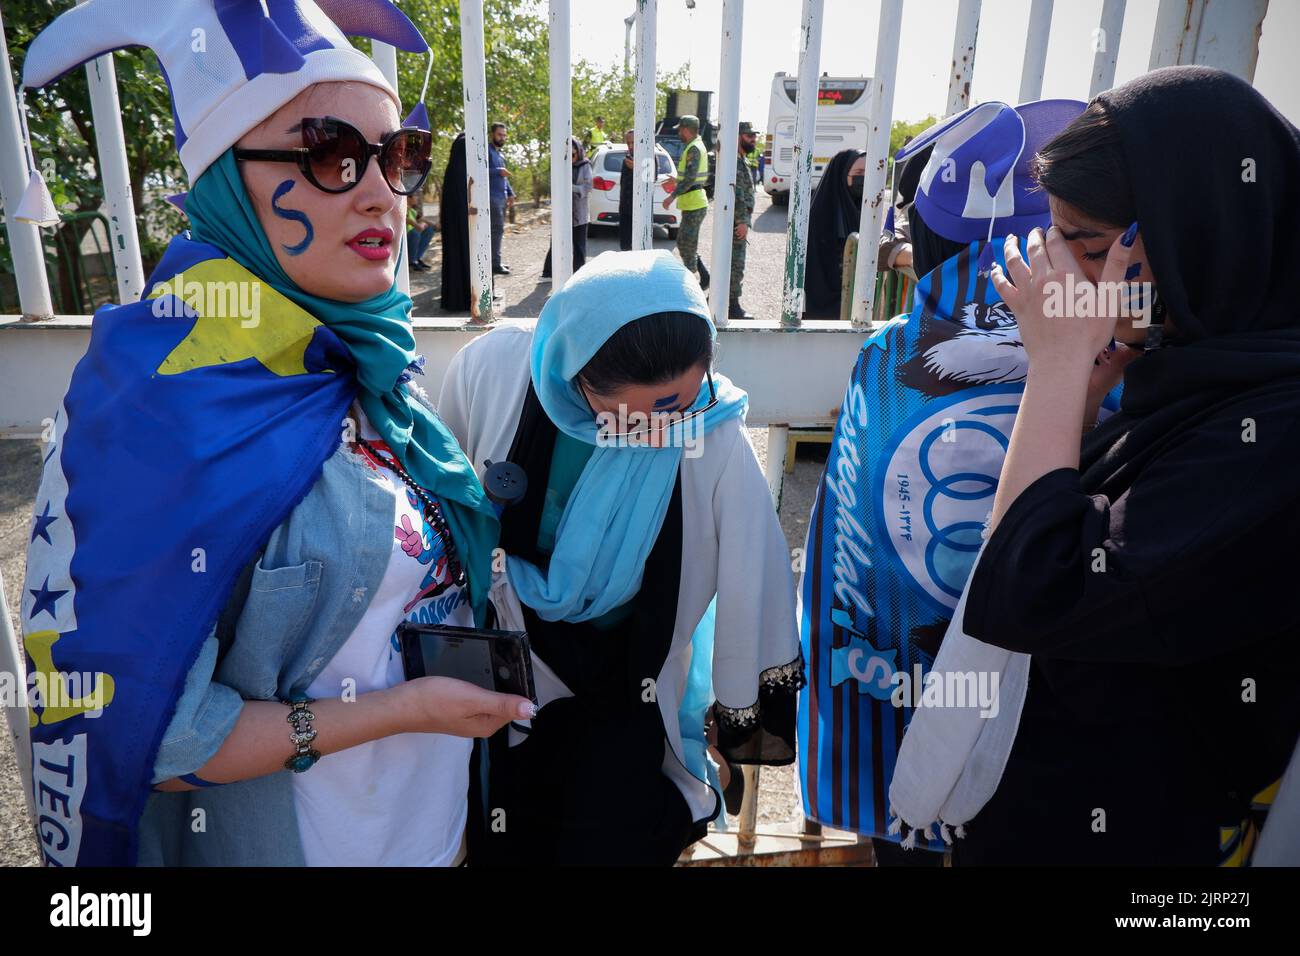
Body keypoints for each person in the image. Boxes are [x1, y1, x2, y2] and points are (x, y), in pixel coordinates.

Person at [15, 0, 531, 867]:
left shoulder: (363, 352)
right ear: (229, 184)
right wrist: (404, 710)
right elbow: (154, 737)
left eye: (399, 154)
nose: (380, 191)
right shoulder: (165, 400)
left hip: (427, 836)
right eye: (330, 154)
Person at [889, 66, 1300, 866]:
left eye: (1078, 242)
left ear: (1184, 235)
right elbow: (1054, 538)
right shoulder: (1201, 365)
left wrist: (1054, 367)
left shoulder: (1274, 431)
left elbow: (1029, 589)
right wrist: (1076, 397)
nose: (1058, 272)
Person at [797, 98, 1091, 869]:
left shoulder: (895, 350)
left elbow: (846, 549)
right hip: (1045, 723)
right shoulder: (1105, 355)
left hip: (894, 705)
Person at [437, 250, 804, 865]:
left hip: (630, 678)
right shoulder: (494, 371)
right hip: (512, 658)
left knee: (616, 824)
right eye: (633, 422)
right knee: (508, 824)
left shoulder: (710, 431)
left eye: (681, 404)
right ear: (576, 379)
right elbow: (446, 509)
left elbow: (755, 575)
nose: (663, 433)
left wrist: (737, 709)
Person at [802, 148, 864, 318]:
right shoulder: (820, 214)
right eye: (859, 172)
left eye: (868, 173)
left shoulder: (862, 209)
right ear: (842, 174)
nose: (864, 178)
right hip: (822, 305)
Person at [663, 114, 710, 289]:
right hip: (692, 204)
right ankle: (704, 278)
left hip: (695, 204)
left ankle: (690, 286)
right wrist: (675, 179)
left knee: (687, 246)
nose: (679, 134)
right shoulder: (694, 146)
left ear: (686, 130)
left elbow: (690, 179)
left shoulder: (694, 149)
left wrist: (672, 195)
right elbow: (690, 176)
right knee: (685, 244)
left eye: (680, 130)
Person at [541, 137, 593, 280]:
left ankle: (579, 276)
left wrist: (572, 188)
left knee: (579, 247)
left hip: (579, 213)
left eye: (573, 149)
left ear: (578, 150)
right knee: (556, 243)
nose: (571, 154)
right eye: (568, 151)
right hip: (562, 213)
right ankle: (548, 273)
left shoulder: (585, 165)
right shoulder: (560, 166)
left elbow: (588, 187)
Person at [728, 122, 758, 321]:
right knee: (735, 264)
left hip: (740, 219)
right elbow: (737, 192)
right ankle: (732, 306)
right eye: (749, 136)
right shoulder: (734, 161)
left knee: (733, 263)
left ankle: (725, 300)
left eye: (754, 136)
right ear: (738, 136)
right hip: (737, 220)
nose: (753, 139)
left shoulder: (741, 159)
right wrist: (742, 220)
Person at [439, 133, 472, 311]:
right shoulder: (464, 175)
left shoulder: (451, 172)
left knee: (454, 257)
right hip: (464, 223)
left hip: (454, 225)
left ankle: (454, 299)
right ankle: (466, 297)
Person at [488, 121, 514, 275]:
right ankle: (494, 264)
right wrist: (498, 171)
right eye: (499, 134)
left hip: (501, 198)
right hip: (491, 198)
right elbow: (479, 170)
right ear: (492, 135)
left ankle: (495, 261)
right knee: (495, 231)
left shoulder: (500, 154)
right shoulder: (486, 151)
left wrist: (510, 193)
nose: (502, 138)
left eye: (504, 135)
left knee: (498, 231)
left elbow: (504, 177)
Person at [618, 129, 635, 252]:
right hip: (625, 208)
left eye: (633, 143)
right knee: (625, 246)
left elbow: (651, 178)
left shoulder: (649, 156)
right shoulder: (627, 157)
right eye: (628, 143)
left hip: (639, 211)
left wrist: (636, 169)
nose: (630, 146)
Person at [407, 201, 434, 271]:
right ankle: (412, 262)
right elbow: (405, 219)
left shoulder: (412, 210)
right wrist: (416, 225)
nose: (417, 198)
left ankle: (417, 258)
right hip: (403, 237)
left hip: (411, 234)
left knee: (429, 230)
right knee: (415, 233)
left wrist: (431, 224)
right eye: (415, 195)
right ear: (409, 198)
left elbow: (419, 219)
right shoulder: (402, 207)